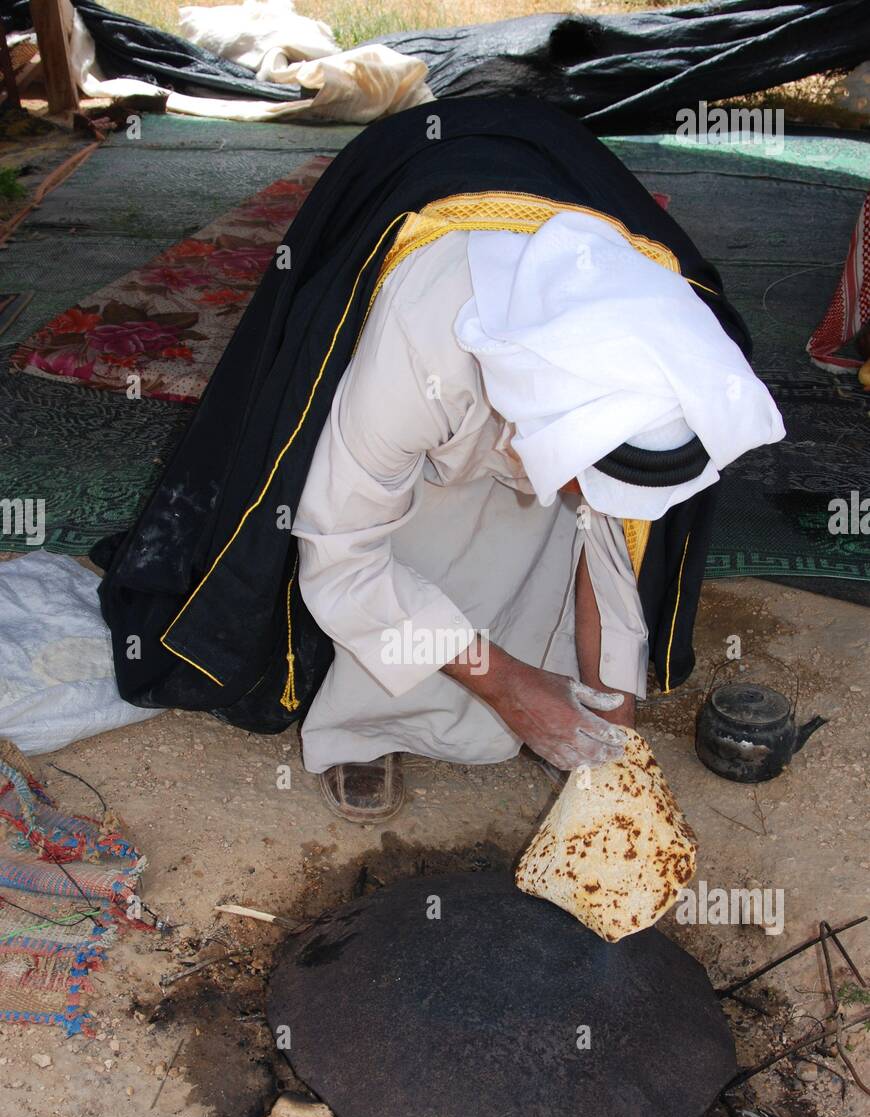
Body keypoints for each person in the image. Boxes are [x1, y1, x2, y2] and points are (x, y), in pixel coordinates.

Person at [99, 98, 784, 817]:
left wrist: (614, 733)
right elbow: (344, 551)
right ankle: (365, 727)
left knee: (553, 530)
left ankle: (531, 696)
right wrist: (510, 686)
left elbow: (611, 546)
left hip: (545, 161)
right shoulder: (419, 350)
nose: (594, 496)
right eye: (587, 478)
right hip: (404, 181)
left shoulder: (669, 371)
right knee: (411, 532)